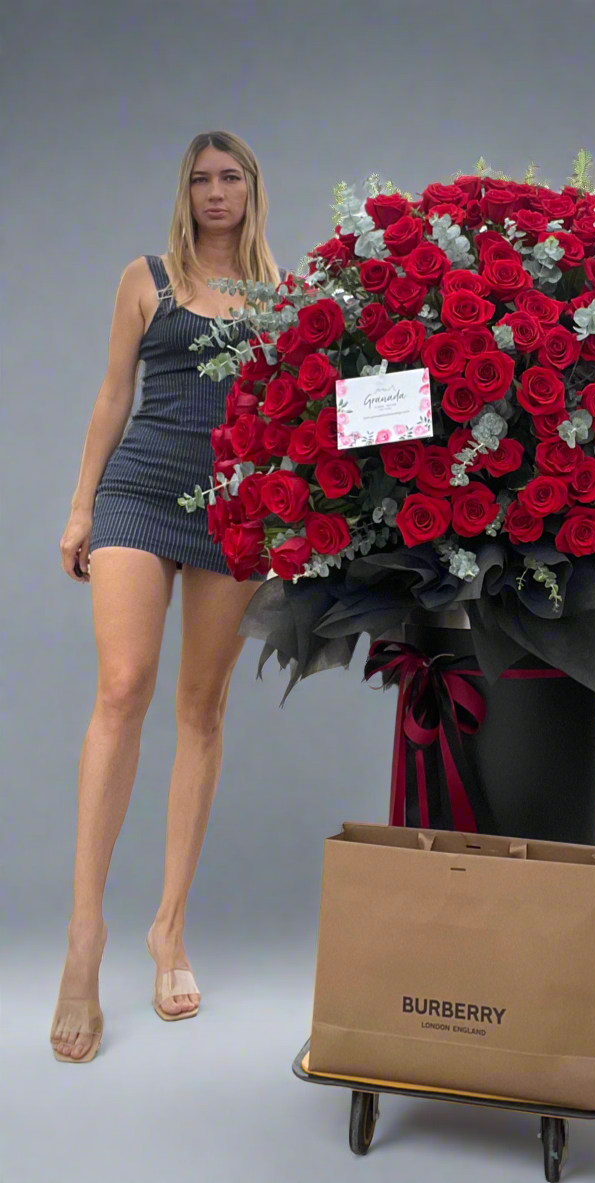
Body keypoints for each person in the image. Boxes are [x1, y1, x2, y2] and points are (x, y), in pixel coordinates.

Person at [50, 131, 285, 1062]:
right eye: (200, 179)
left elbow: (298, 411)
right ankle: (84, 936)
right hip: (141, 488)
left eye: (230, 178)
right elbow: (113, 396)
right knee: (122, 687)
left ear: (252, 190)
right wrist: (80, 507)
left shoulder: (283, 295)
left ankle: (169, 928)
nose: (215, 192)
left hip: (235, 505)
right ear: (184, 193)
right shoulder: (145, 278)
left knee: (201, 707)